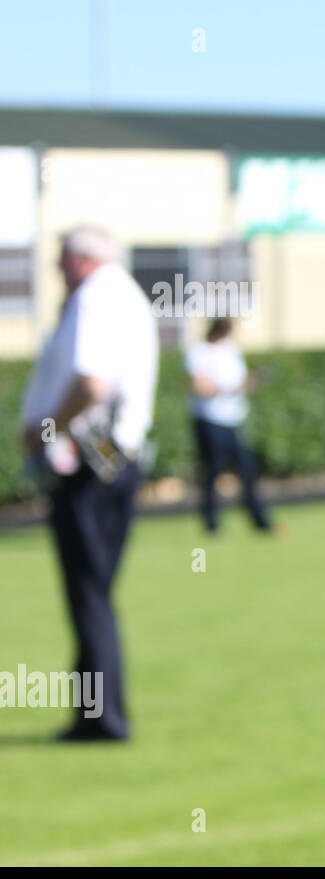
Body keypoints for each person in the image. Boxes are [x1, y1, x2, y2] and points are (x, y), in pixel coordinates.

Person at [18, 225, 158, 741]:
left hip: (88, 465)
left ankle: (102, 717)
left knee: (88, 592)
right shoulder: (130, 296)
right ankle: (96, 712)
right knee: (95, 591)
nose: (56, 269)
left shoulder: (95, 298)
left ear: (81, 259)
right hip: (119, 460)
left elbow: (90, 382)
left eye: (61, 259)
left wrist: (42, 429)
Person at [185, 317, 274, 534]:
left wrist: (249, 383)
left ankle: (260, 522)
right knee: (212, 473)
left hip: (233, 420)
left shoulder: (231, 350)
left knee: (247, 470)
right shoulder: (199, 352)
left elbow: (240, 381)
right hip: (209, 420)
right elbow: (201, 386)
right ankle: (212, 524)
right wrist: (228, 388)